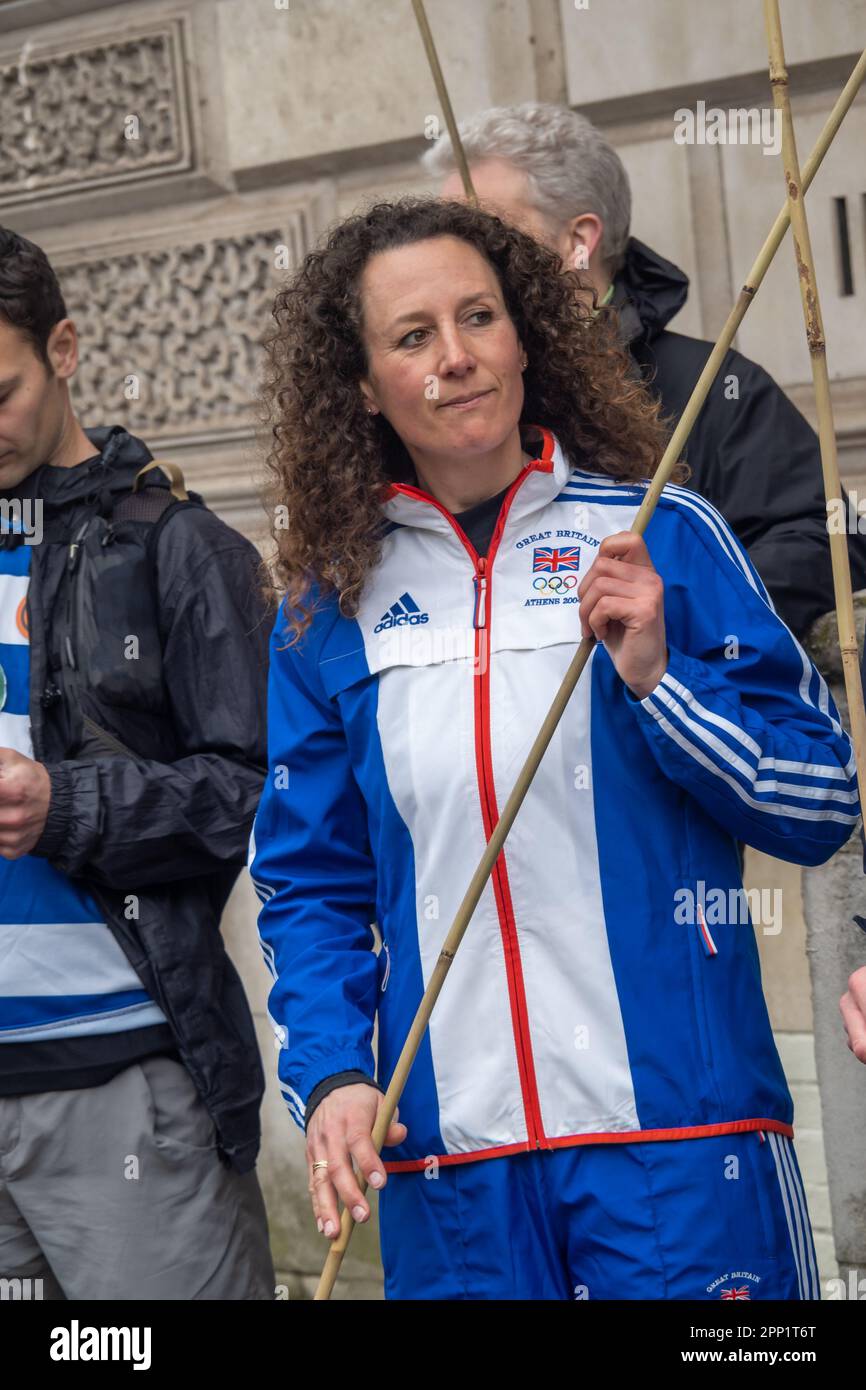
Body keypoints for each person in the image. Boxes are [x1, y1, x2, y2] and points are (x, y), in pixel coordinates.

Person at [249, 196, 859, 1301]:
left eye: (477, 316)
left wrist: (659, 679)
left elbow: (817, 798)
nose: (455, 357)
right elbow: (309, 882)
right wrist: (335, 1073)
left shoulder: (659, 531)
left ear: (525, 335)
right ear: (361, 383)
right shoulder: (323, 609)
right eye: (411, 336)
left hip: (683, 1145)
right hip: (452, 1172)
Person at [0, 227, 275, 1300]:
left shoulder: (179, 547)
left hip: (123, 1091)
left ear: (65, 349)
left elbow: (257, 797)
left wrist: (65, 805)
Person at [421, 101, 866, 642]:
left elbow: (825, 542)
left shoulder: (715, 387)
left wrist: (664, 613)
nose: (457, 258)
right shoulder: (446, 394)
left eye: (486, 230)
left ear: (578, 241)